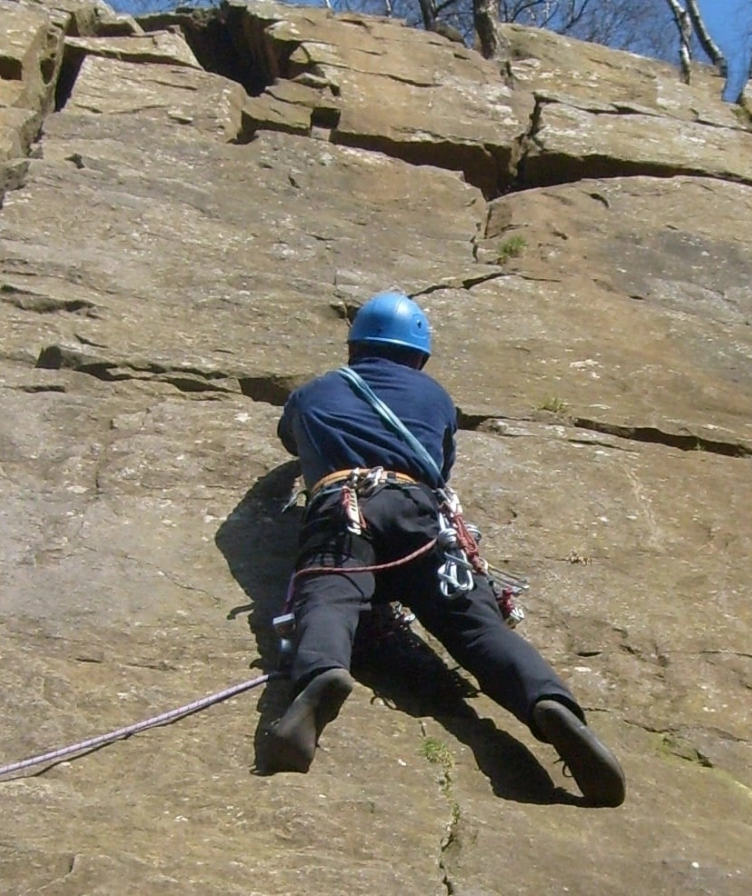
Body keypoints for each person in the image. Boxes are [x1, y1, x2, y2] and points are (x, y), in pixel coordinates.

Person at [265, 290, 625, 807]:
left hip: (345, 507)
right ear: (418, 356)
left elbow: (290, 439)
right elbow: (442, 466)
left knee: (332, 597)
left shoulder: (317, 392)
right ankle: (549, 702)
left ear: (354, 348)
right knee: (474, 624)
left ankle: (322, 674)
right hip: (419, 516)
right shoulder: (435, 398)